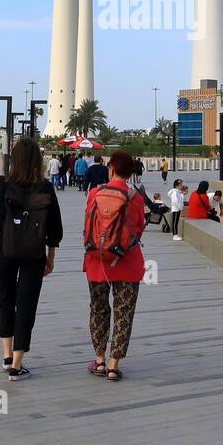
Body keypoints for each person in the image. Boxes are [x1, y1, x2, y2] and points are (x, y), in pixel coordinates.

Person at [0, 136, 62, 381]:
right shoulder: (45, 187)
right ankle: (17, 365)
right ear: (38, 160)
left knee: (6, 299)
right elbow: (55, 227)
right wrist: (51, 255)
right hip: (34, 253)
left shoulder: (1, 184)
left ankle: (6, 356)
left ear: (14, 160)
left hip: (4, 250)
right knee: (26, 305)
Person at [83, 150, 146, 381]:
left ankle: (99, 360)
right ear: (130, 173)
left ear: (110, 169)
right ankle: (113, 365)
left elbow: (88, 224)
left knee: (98, 309)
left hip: (97, 262)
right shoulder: (135, 198)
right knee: (123, 313)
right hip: (127, 263)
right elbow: (139, 227)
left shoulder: (94, 193)